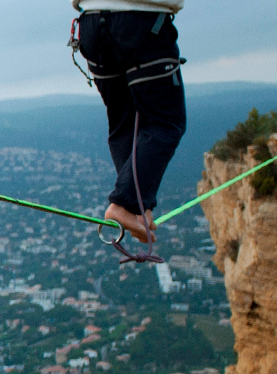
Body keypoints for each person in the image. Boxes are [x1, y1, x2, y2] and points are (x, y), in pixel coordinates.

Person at [71, 0, 187, 244]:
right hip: (142, 22)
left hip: (91, 23)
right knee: (165, 124)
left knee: (123, 124)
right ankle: (126, 205)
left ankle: (137, 206)